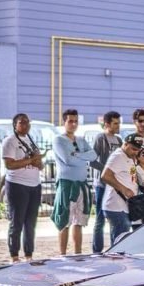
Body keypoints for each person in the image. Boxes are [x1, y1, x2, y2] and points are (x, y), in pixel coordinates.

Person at [51, 109, 96, 255]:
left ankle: (78, 253)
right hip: (67, 184)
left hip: (81, 183)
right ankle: (62, 254)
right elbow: (68, 160)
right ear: (64, 122)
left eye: (76, 121)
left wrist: (77, 154)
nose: (73, 124)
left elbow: (94, 155)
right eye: (70, 121)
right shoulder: (58, 140)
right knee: (64, 220)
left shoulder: (81, 140)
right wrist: (83, 158)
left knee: (79, 221)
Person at [2, 113, 45, 263]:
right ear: (15, 125)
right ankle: (14, 255)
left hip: (34, 184)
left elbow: (40, 165)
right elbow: (9, 164)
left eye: (28, 123)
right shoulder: (10, 141)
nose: (26, 125)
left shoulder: (32, 141)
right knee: (17, 220)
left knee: (31, 222)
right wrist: (30, 160)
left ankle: (29, 254)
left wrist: (37, 162)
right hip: (17, 184)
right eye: (22, 123)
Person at [89, 111, 122, 253]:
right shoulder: (100, 138)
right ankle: (97, 250)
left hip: (115, 185)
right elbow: (92, 160)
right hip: (102, 184)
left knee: (115, 217)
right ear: (107, 124)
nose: (118, 126)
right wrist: (107, 171)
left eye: (118, 123)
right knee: (100, 217)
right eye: (115, 123)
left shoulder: (119, 140)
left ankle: (114, 247)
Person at [101, 133, 143, 244]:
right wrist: (124, 189)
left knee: (121, 239)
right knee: (119, 242)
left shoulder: (130, 157)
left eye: (137, 150)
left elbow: (131, 177)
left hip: (125, 206)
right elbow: (105, 175)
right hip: (116, 206)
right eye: (133, 149)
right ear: (125, 144)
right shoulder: (118, 156)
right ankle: (114, 260)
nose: (135, 152)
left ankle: (115, 260)